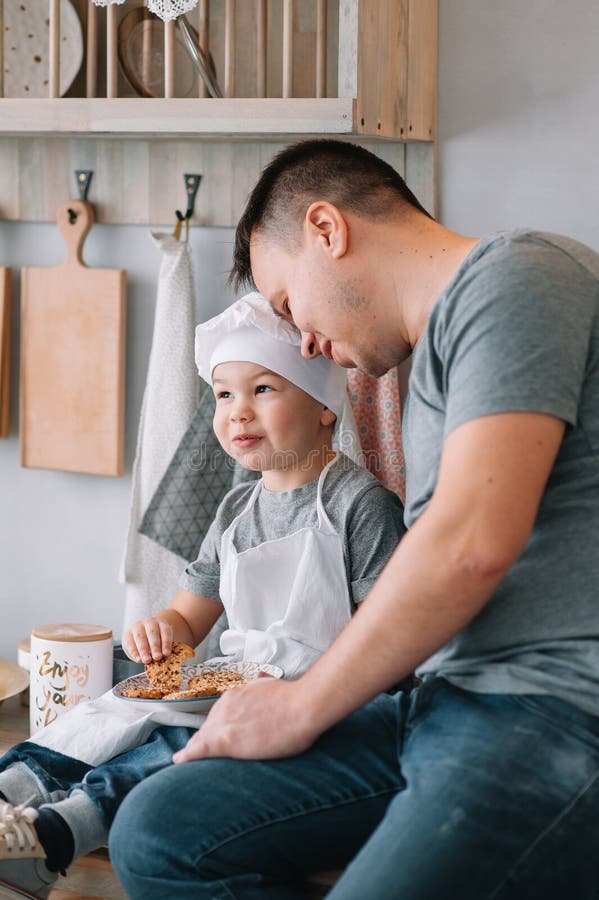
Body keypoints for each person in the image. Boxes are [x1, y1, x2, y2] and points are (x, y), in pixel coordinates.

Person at [109, 139, 599, 900]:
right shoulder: (434, 357)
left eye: (284, 304)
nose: (302, 339)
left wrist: (302, 704)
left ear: (327, 231)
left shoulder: (519, 275)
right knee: (157, 832)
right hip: (441, 705)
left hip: (549, 714)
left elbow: (469, 544)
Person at [0, 291, 405, 900]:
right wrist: (161, 629)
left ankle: (54, 836)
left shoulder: (359, 504)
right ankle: (17, 789)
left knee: (176, 746)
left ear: (325, 405)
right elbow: (189, 616)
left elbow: (388, 636)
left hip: (312, 698)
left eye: (263, 389)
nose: (237, 413)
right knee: (115, 704)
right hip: (229, 676)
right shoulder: (236, 510)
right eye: (223, 395)